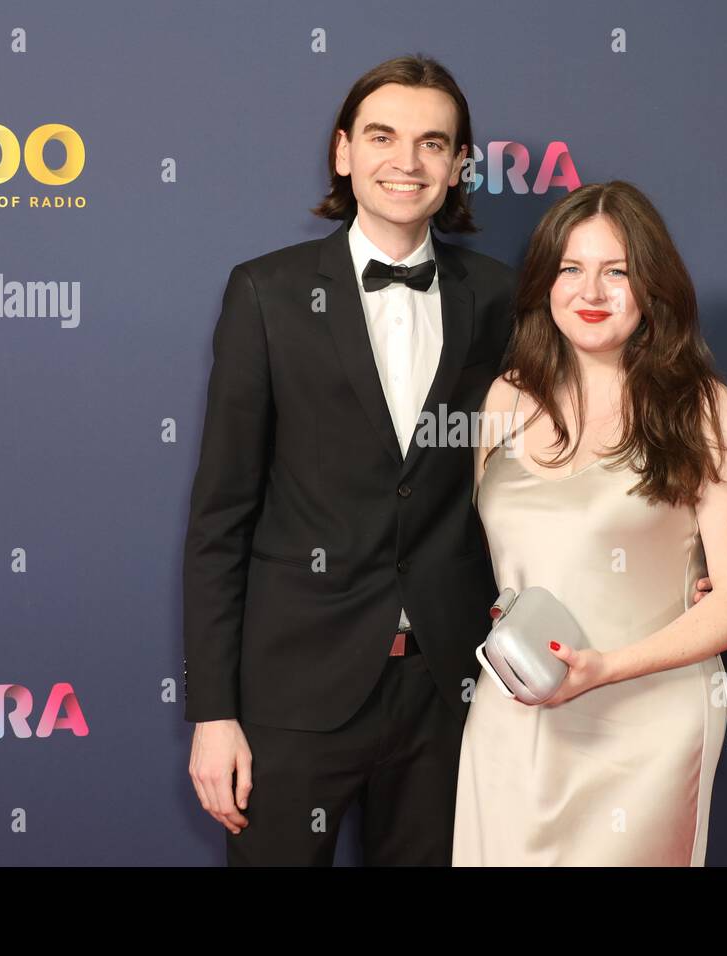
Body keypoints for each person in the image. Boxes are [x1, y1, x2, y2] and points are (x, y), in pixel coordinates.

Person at [180, 55, 520, 865]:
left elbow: (563, 462)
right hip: (292, 695)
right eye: (383, 136)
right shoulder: (266, 293)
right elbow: (220, 518)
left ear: (459, 166)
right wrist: (214, 713)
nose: (407, 161)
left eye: (433, 143)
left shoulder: (504, 297)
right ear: (343, 152)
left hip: (451, 692)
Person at [452, 181, 727, 866]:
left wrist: (605, 668)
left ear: (652, 286)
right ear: (544, 282)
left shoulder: (706, 410)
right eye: (571, 269)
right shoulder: (507, 396)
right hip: (517, 715)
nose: (591, 292)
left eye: (617, 271)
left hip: (644, 730)